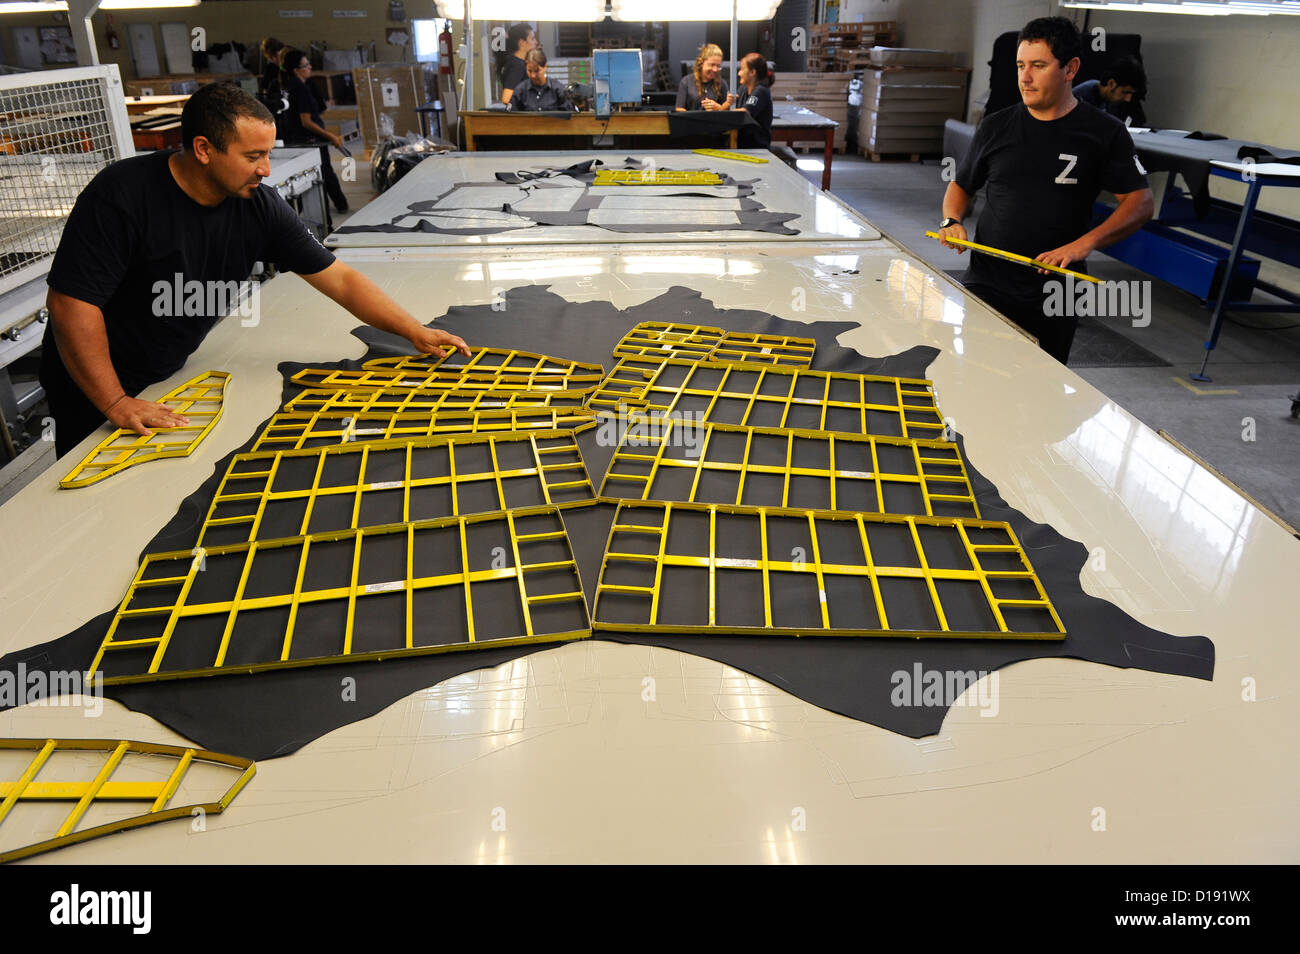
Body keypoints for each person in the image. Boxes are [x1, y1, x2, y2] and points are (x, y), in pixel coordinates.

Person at [39, 82, 469, 459]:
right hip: (93, 384)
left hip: (167, 373)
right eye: (253, 156)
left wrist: (413, 330)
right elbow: (72, 305)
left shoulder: (257, 204)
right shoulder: (122, 196)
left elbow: (338, 278)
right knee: (88, 502)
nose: (265, 169)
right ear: (205, 149)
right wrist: (114, 401)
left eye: (268, 153)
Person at [937, 16, 1153, 364]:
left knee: (1043, 390)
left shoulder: (1104, 133)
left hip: (1056, 292)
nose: (1025, 77)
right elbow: (961, 185)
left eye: (1038, 66)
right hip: (987, 282)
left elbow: (1141, 204)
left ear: (1071, 69)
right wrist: (951, 220)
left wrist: (1085, 244)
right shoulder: (996, 126)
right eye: (1021, 65)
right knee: (976, 377)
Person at [280, 48, 348, 214]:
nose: (310, 67)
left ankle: (336, 205)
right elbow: (307, 122)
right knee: (322, 174)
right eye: (306, 65)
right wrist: (330, 135)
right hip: (310, 140)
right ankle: (333, 208)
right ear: (296, 70)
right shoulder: (300, 88)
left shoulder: (288, 86)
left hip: (295, 139)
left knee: (308, 176)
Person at [1074, 55, 1146, 124]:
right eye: (1125, 92)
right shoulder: (1082, 99)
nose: (1128, 99)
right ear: (1111, 83)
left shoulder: (1107, 98)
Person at [676, 43, 732, 112]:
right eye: (712, 65)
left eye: (718, 66)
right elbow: (679, 108)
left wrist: (718, 108)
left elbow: (727, 112)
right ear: (701, 63)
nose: (715, 69)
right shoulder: (686, 82)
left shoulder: (722, 84)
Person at [736, 53, 773, 149]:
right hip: (741, 145)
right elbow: (731, 106)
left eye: (742, 69)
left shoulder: (761, 91)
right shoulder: (743, 89)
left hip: (756, 148)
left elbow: (744, 113)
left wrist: (720, 114)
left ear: (752, 72)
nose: (739, 73)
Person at [497, 23, 537, 106]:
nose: (536, 42)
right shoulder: (517, 65)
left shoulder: (516, 62)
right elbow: (506, 98)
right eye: (532, 39)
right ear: (522, 42)